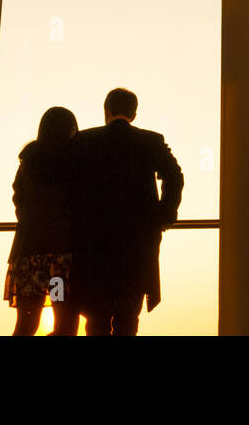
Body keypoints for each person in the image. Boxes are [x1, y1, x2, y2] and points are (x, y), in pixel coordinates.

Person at [68, 87, 184, 336]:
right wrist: (164, 214)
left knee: (96, 315)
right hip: (138, 241)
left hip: (94, 241)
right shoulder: (151, 141)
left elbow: (69, 185)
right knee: (128, 314)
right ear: (134, 113)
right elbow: (175, 177)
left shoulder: (84, 141)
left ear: (106, 110)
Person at [6, 106, 80, 336]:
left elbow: (20, 203)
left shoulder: (29, 161)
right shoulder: (74, 163)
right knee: (64, 322)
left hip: (29, 258)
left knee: (26, 322)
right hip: (60, 262)